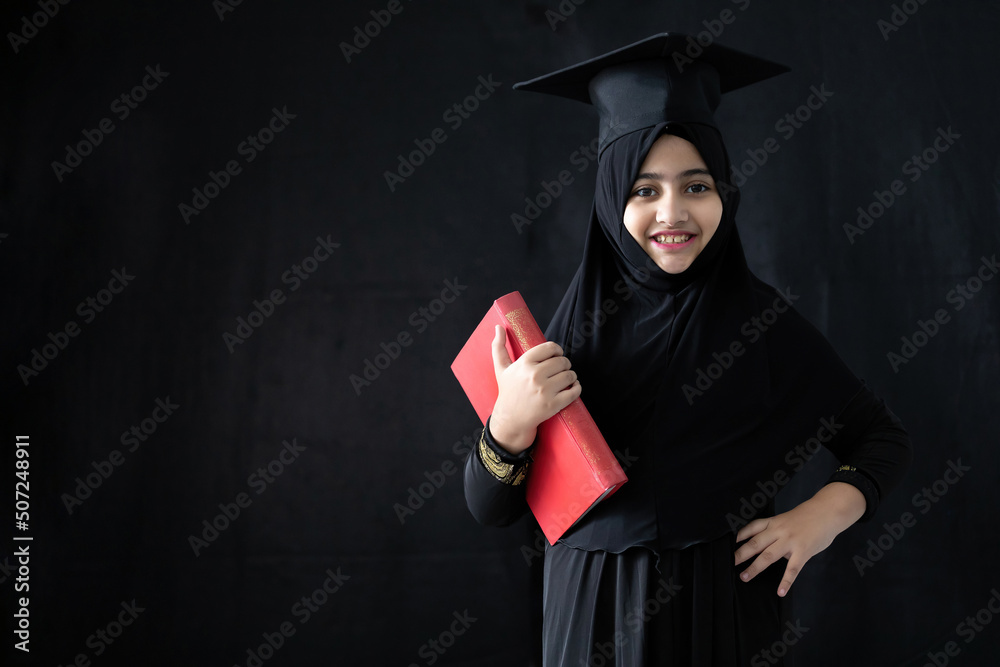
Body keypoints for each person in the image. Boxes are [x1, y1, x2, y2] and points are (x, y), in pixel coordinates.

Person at [462, 33, 912, 666]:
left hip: (722, 611)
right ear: (610, 198)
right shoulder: (565, 338)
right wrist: (509, 423)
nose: (672, 213)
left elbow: (881, 439)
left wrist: (820, 517)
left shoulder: (762, 325)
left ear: (725, 193)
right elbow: (490, 509)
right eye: (644, 190)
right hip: (589, 609)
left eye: (696, 186)